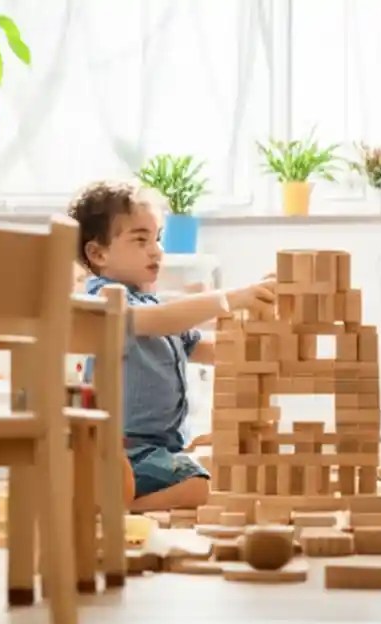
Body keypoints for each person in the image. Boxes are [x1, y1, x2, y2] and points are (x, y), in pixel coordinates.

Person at [69, 181, 276, 512]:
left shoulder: (153, 305)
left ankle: (122, 498)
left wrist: (265, 339)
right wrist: (229, 298)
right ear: (98, 253)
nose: (156, 250)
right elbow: (155, 320)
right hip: (120, 449)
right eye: (141, 240)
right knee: (200, 487)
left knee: (223, 467)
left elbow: (210, 351)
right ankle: (122, 507)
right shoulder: (103, 299)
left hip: (158, 449)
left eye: (158, 238)